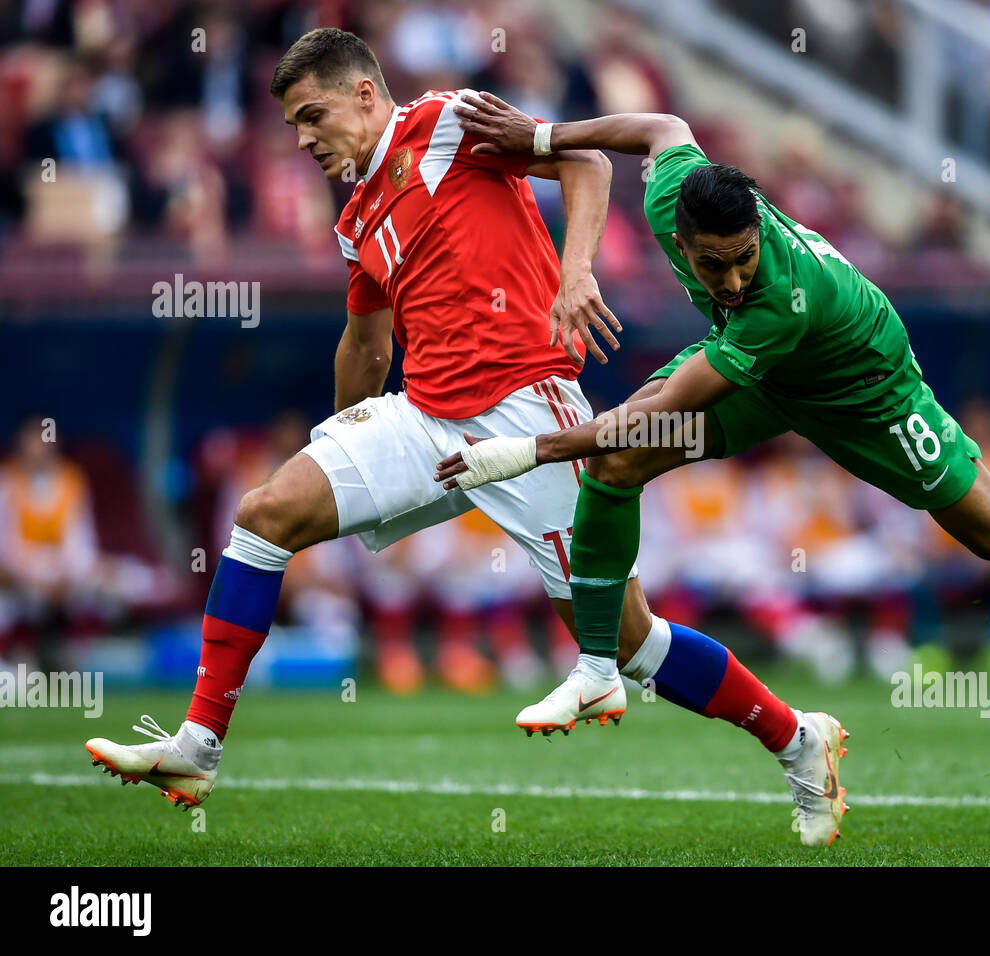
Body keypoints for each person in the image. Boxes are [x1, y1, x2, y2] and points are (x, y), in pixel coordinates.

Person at [84, 29, 848, 848]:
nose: (303, 139)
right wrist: (339, 430)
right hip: (426, 419)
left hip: (530, 415)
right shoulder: (356, 217)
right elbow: (367, 344)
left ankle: (799, 738)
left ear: (366, 95)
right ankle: (198, 746)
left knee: (630, 645)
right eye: (292, 127)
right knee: (266, 513)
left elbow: (584, 164)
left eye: (313, 116)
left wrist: (576, 271)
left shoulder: (449, 120)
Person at [436, 95, 990, 755]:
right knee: (616, 462)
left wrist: (526, 451)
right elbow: (660, 126)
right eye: (714, 265)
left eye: (742, 260)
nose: (730, 278)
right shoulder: (676, 195)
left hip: (863, 389)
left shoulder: (778, 299)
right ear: (680, 236)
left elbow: (664, 410)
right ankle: (599, 670)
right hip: (762, 377)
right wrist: (539, 141)